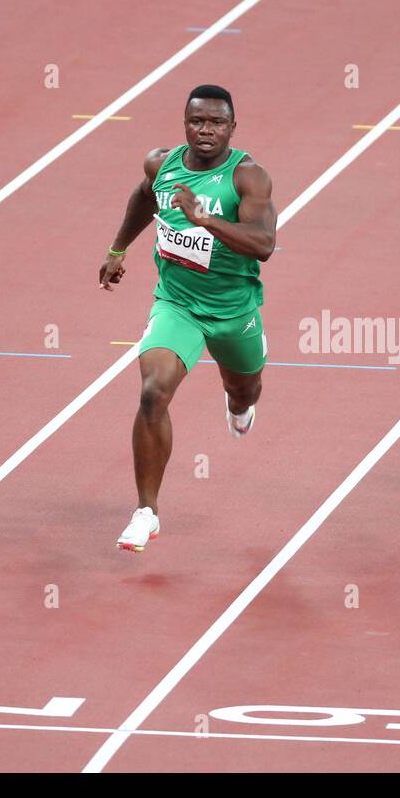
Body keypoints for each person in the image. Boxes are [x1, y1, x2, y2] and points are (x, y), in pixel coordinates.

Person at [100, 85, 277, 552]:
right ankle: (146, 511)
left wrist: (204, 220)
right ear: (184, 123)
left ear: (232, 128)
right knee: (153, 391)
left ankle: (238, 405)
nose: (206, 130)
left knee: (245, 389)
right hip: (177, 304)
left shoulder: (248, 178)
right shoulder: (162, 165)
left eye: (216, 123)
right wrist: (119, 249)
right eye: (197, 121)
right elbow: (143, 198)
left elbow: (263, 244)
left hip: (234, 309)